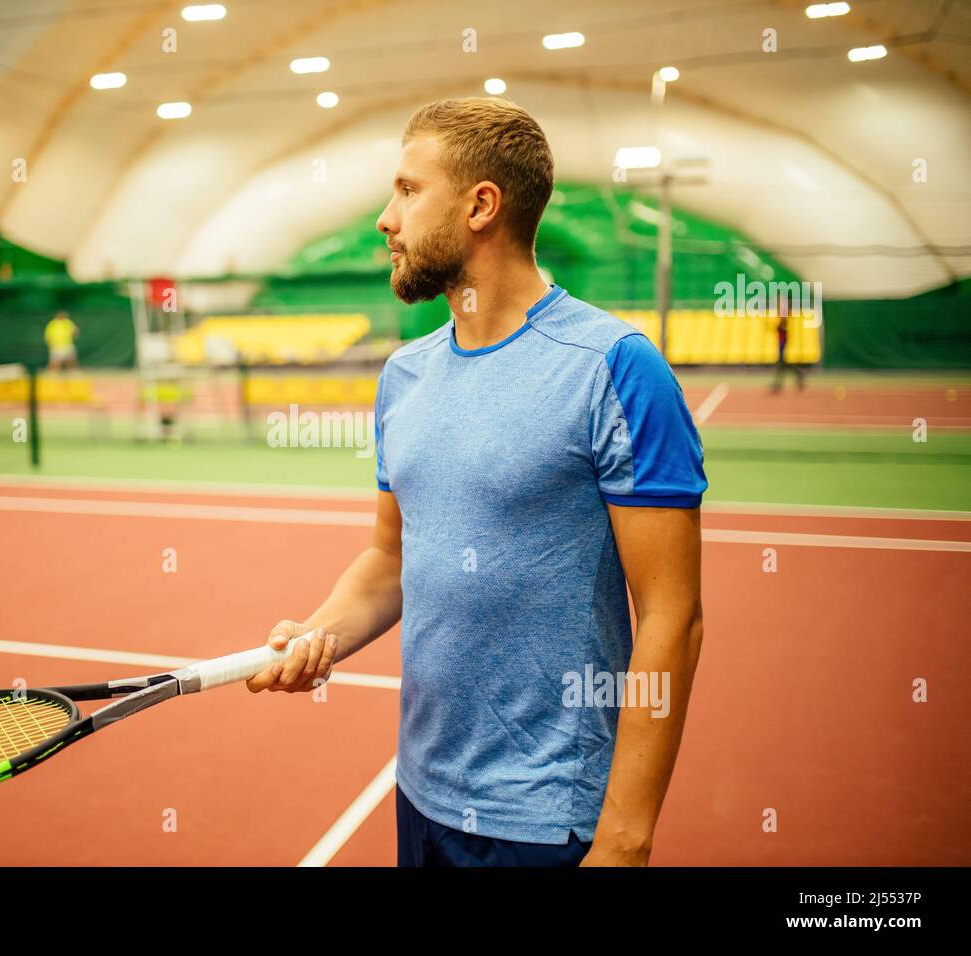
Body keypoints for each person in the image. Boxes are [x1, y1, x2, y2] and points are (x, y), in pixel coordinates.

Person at [245, 98, 707, 867]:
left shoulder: (617, 367)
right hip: (422, 797)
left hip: (546, 822)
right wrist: (317, 633)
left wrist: (625, 839)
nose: (384, 220)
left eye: (407, 191)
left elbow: (672, 614)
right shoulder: (403, 376)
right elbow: (390, 560)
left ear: (480, 205)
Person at [770, 293, 806, 392]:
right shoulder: (782, 313)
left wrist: (777, 327)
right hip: (782, 339)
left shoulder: (783, 313)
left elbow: (784, 326)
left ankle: (778, 384)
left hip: (783, 340)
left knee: (782, 362)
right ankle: (798, 376)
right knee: (783, 362)